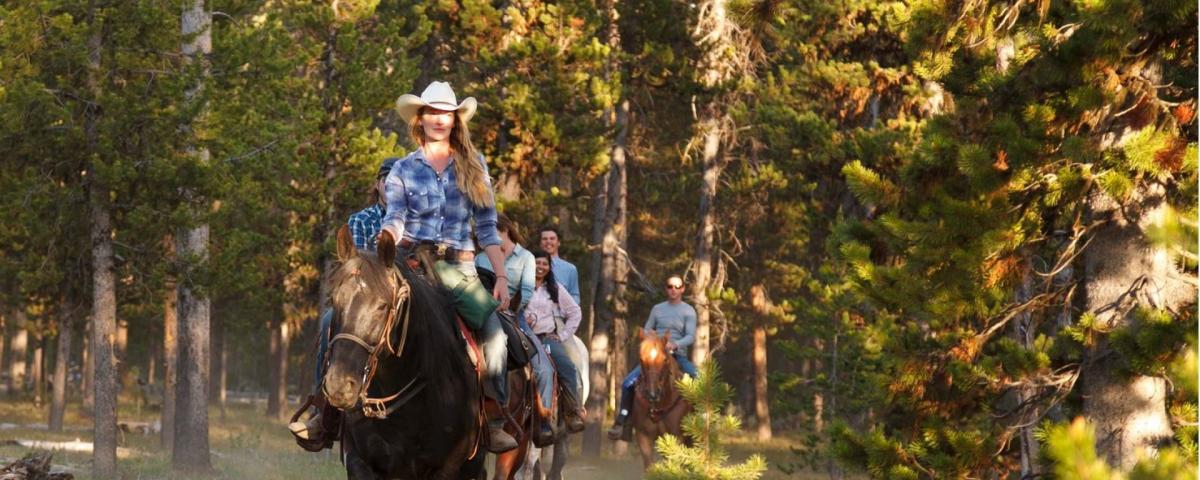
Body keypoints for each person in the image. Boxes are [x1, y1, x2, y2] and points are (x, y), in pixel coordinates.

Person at [378, 80, 517, 453]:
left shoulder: (475, 166)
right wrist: (386, 240)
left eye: (446, 113)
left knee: (495, 333)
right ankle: (329, 411)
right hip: (412, 264)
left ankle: (493, 414)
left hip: (460, 269)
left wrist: (501, 275)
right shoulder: (404, 169)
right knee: (346, 320)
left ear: (455, 120)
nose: (439, 119)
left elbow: (487, 227)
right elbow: (396, 216)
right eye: (432, 112)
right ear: (419, 119)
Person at [289, 158, 396, 442]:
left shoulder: (414, 220)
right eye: (387, 180)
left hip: (404, 295)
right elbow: (356, 265)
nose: (391, 185)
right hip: (368, 296)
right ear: (378, 184)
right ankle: (322, 409)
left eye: (398, 181)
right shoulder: (361, 220)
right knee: (327, 323)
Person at [474, 215, 558, 445]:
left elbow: (528, 290)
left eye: (493, 235)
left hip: (514, 313)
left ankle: (543, 420)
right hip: (484, 311)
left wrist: (513, 307)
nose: (486, 240)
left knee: (542, 366)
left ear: (506, 231)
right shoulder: (481, 257)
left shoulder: (527, 257)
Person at [607, 274, 699, 441]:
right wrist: (651, 336)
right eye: (670, 286)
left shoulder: (688, 311)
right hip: (655, 355)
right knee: (628, 382)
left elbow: (691, 336)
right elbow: (648, 328)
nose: (673, 290)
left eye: (677, 287)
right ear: (666, 289)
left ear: (683, 289)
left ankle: (700, 424)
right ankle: (623, 420)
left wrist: (675, 344)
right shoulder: (657, 309)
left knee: (698, 378)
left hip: (677, 355)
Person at [524, 250, 587, 434]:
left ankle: (570, 412)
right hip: (523, 336)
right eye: (537, 263)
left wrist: (564, 334)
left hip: (546, 339)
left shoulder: (555, 288)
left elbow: (575, 312)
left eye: (544, 264)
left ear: (550, 268)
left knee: (567, 367)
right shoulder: (522, 285)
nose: (540, 267)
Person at [538, 226, 580, 305]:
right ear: (540, 243)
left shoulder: (570, 269)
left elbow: (575, 295)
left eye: (552, 238)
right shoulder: (531, 266)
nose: (548, 241)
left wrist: (568, 309)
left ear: (558, 242)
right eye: (544, 239)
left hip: (560, 315)